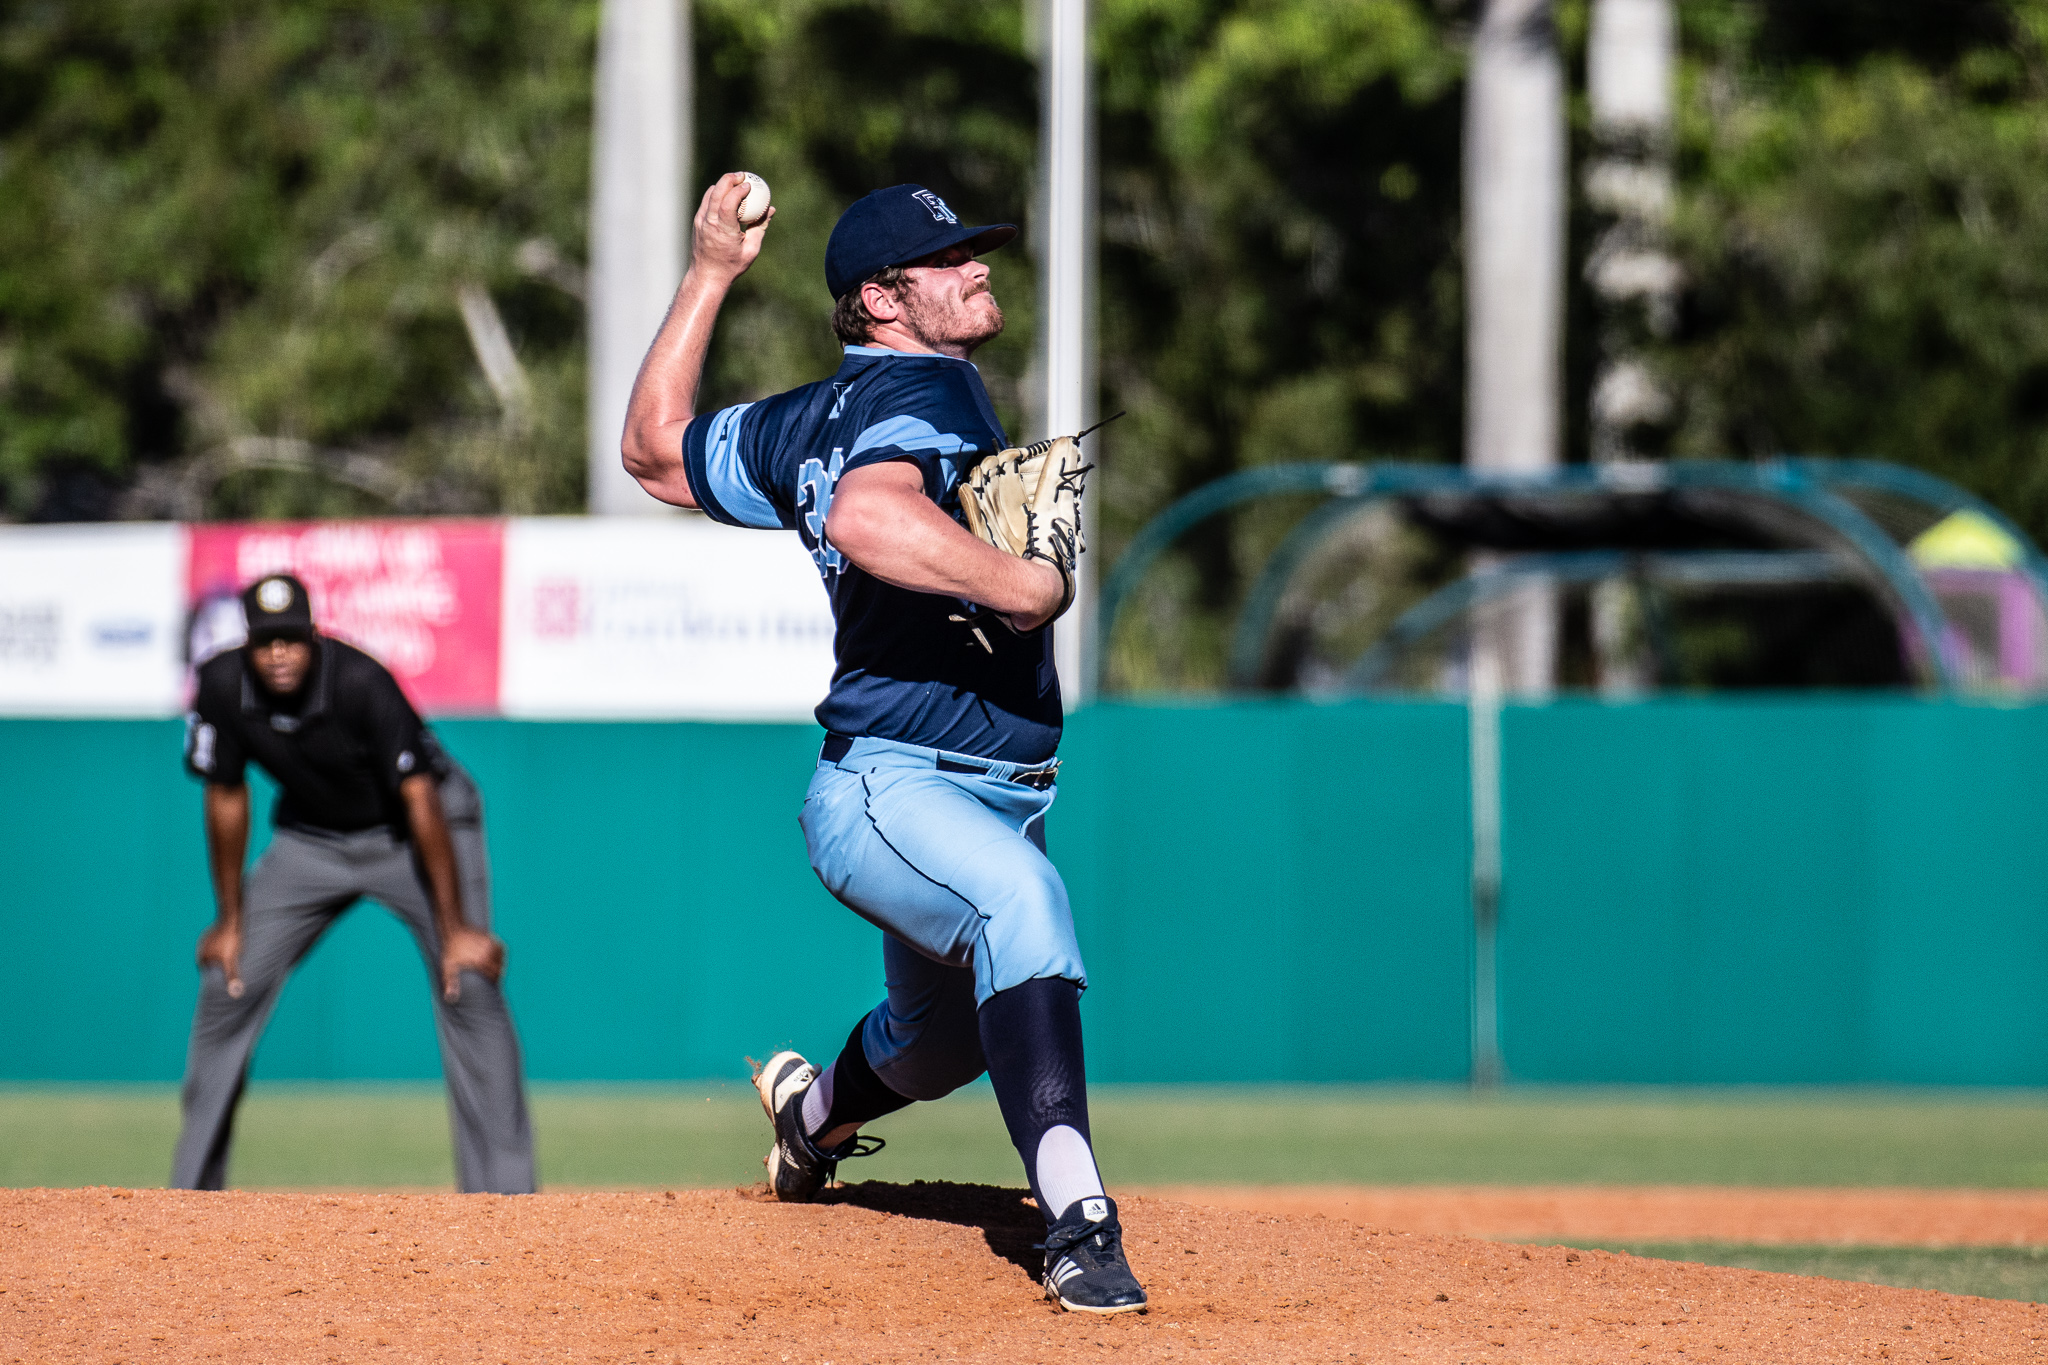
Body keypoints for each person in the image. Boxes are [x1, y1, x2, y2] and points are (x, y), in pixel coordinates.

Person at [620, 174, 1146, 1315]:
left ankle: (807, 1123)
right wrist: (1025, 585)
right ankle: (1080, 1224)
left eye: (973, 250)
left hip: (968, 790)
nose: (978, 266)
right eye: (948, 259)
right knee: (1024, 905)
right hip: (896, 785)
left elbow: (655, 452)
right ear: (881, 298)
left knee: (934, 1048)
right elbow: (866, 515)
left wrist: (709, 274)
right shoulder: (928, 389)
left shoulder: (809, 416)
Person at [173, 573, 535, 1195]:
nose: (279, 654)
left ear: (314, 636)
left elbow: (420, 797)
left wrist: (455, 930)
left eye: (291, 639)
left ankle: (506, 1202)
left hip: (416, 833)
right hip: (311, 843)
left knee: (468, 981)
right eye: (266, 642)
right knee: (228, 980)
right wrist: (229, 920)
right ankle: (189, 1201)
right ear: (247, 644)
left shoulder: (361, 681)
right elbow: (225, 795)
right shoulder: (221, 684)